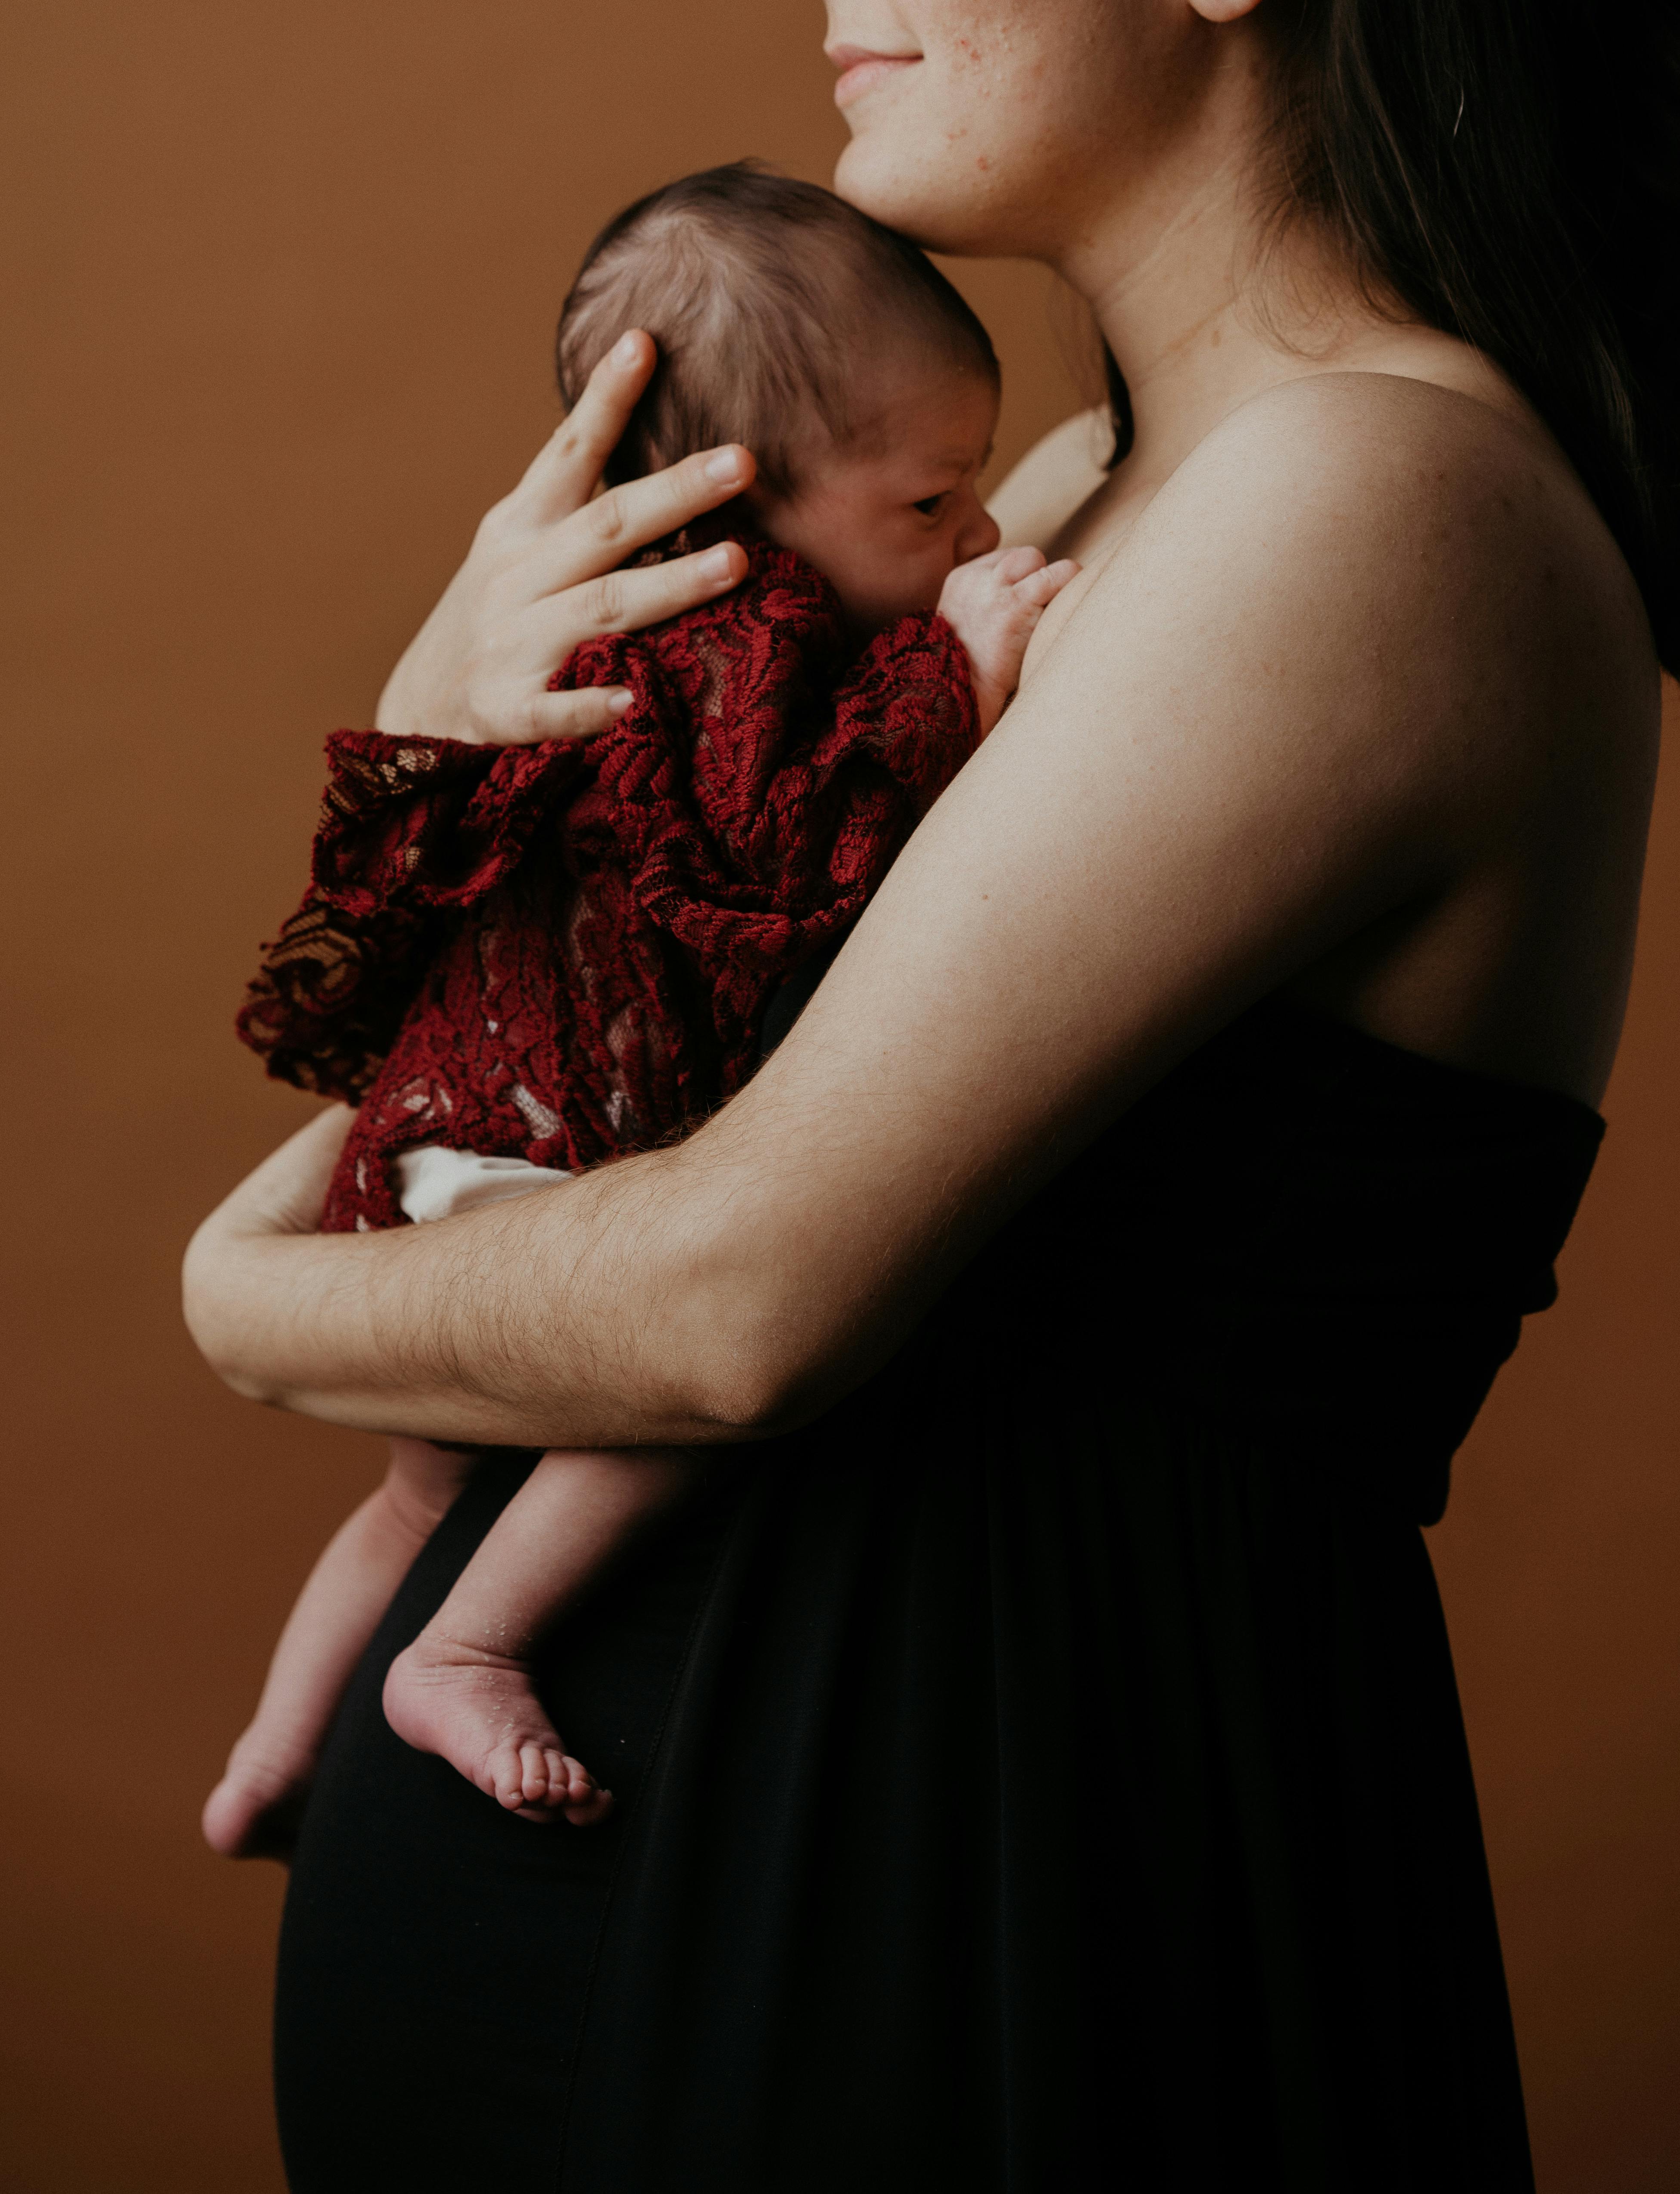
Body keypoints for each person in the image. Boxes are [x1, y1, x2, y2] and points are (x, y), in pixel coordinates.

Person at [184, 0, 1680, 2191]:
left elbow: (726, 1293)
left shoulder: (1362, 503)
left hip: (974, 1932)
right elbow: (608, 1082)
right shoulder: (1054, 515)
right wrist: (454, 756)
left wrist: (235, 1289)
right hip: (745, 1918)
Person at [202, 163, 1073, 1853]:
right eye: (927, 507)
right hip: (552, 1161)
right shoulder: (729, 648)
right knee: (672, 1397)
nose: (973, 534)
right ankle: (467, 1647)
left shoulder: (666, 630)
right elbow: (794, 861)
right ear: (729, 521)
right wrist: (949, 675)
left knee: (417, 1489)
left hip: (441, 1145)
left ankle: (278, 1748)